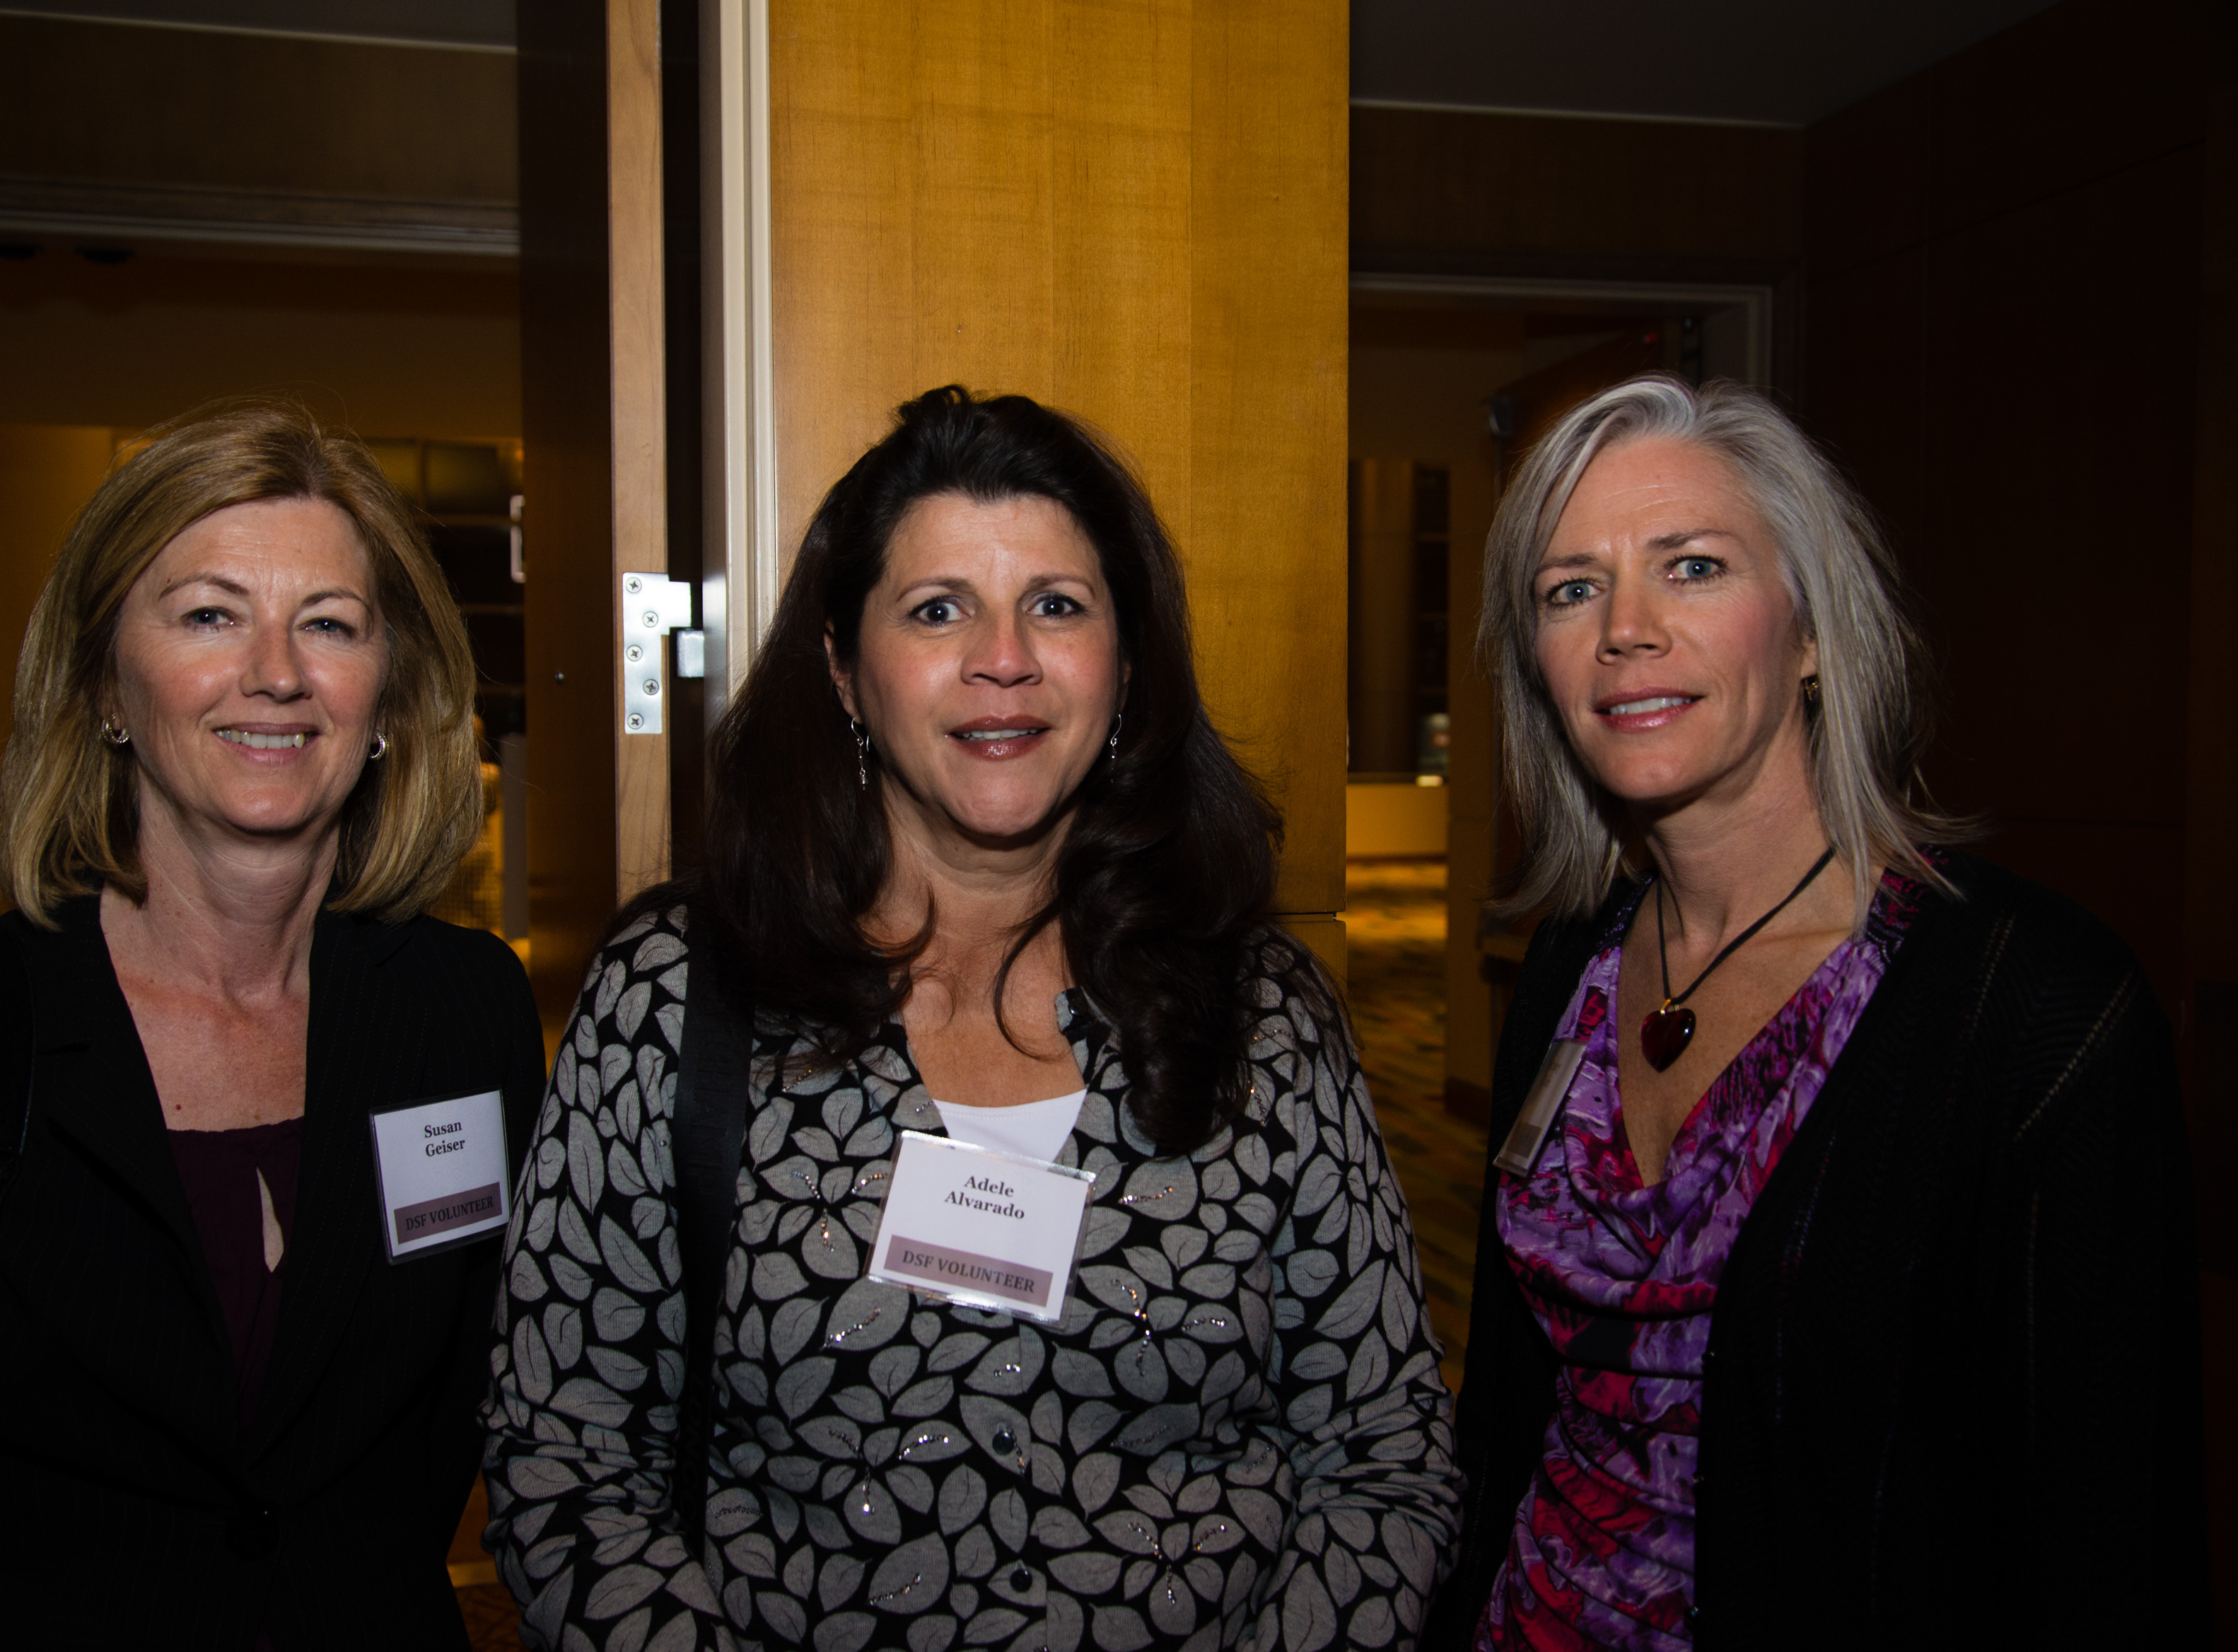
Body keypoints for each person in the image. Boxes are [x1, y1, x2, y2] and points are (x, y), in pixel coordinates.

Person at [481, 386, 1464, 1651]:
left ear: (1126, 663)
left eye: (1056, 604)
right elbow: (565, 1457)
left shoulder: (1258, 1009)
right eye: (938, 608)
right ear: (843, 668)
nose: (1004, 656)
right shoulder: (681, 996)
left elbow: (1382, 1449)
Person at [1425, 376, 2205, 1648]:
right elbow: (1510, 1409)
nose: (1626, 628)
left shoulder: (2038, 1015)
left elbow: (2107, 1535)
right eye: (1572, 589)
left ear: (1810, 632)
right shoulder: (1570, 966)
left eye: (1690, 567)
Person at [0, 400, 543, 1648]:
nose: (277, 673)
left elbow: (488, 1414)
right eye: (208, 614)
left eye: (330, 625)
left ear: (389, 695)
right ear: (104, 684)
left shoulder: (465, 1015)